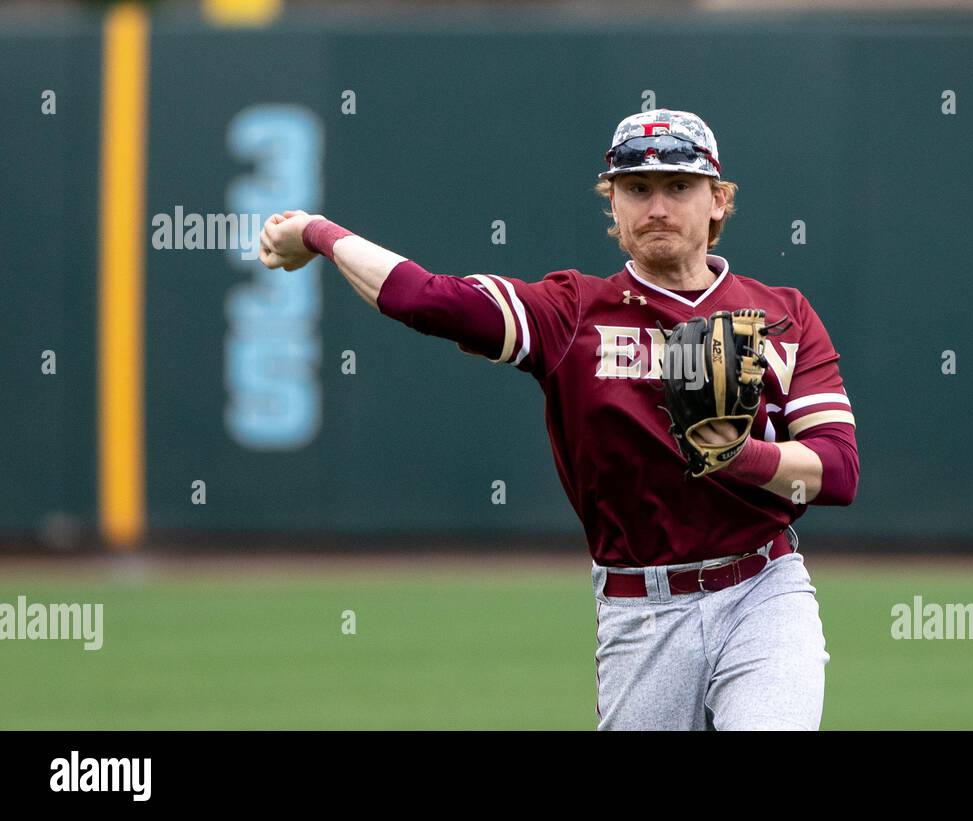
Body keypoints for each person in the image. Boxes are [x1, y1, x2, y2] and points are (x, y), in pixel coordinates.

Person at [259, 109, 859, 730]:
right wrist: (318, 233)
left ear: (718, 200)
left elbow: (837, 473)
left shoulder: (782, 315)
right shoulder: (572, 312)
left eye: (679, 187)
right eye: (637, 189)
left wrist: (735, 456)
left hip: (764, 590)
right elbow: (425, 298)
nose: (657, 207)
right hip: (641, 609)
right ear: (614, 206)